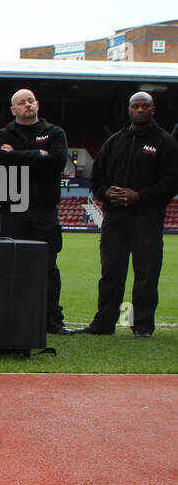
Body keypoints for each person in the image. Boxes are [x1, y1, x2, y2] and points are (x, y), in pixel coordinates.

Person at [75, 92, 178, 337]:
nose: (139, 110)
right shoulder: (113, 142)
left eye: (145, 106)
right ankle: (103, 324)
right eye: (135, 106)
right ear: (128, 109)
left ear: (153, 110)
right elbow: (97, 179)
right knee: (111, 272)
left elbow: (172, 183)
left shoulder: (165, 143)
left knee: (146, 273)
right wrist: (108, 193)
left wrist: (139, 196)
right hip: (115, 218)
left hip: (148, 218)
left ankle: (142, 326)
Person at [0, 89, 70, 334]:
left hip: (43, 210)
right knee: (9, 265)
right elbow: (0, 160)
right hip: (11, 209)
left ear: (37, 103)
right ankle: (10, 317)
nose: (27, 104)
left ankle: (52, 320)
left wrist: (15, 155)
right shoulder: (2, 134)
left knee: (48, 266)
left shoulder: (55, 132)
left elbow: (57, 162)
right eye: (20, 102)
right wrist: (38, 155)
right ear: (13, 110)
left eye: (30, 100)